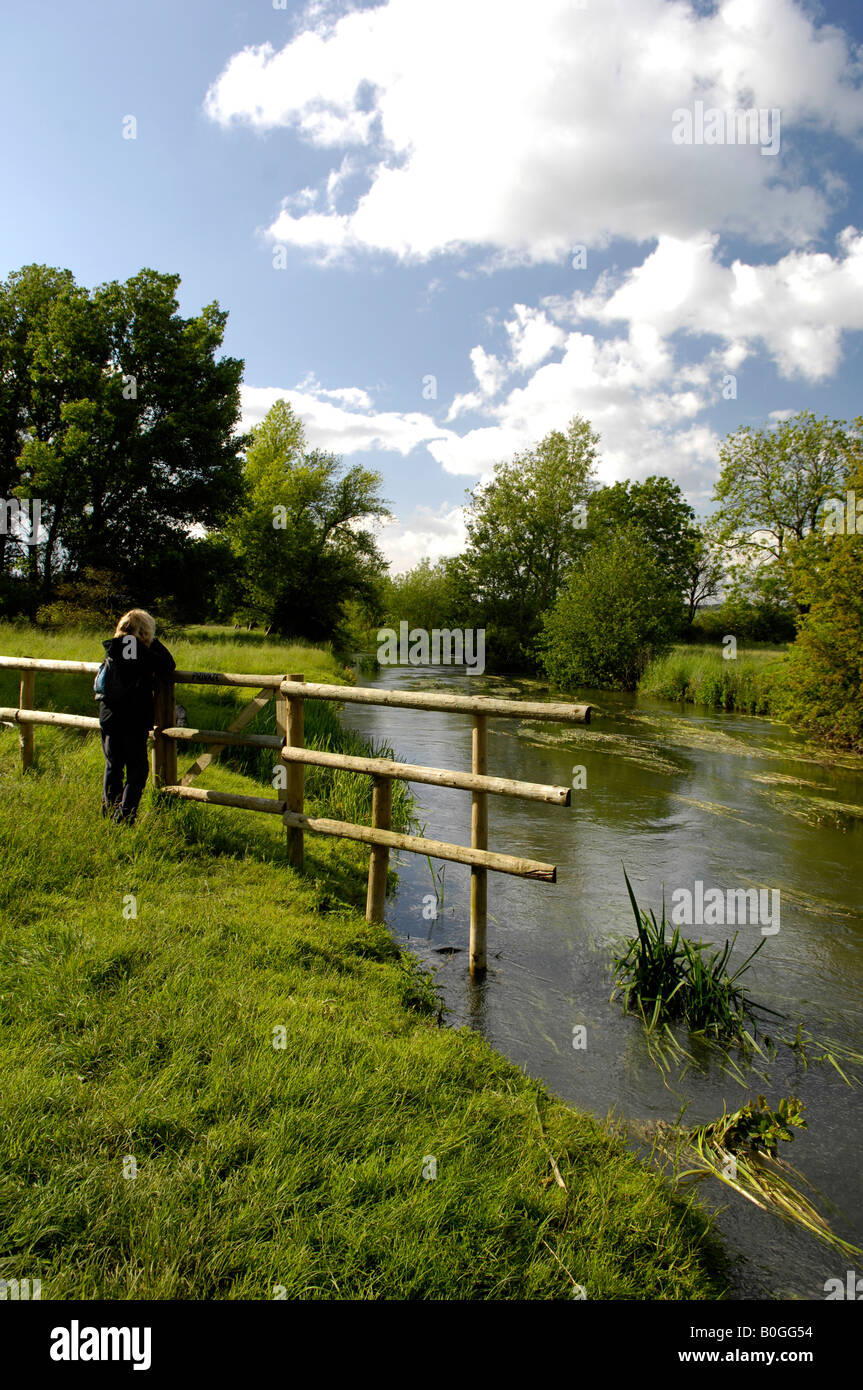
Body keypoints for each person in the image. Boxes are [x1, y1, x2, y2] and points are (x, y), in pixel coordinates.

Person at [96, 609, 175, 824]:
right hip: (131, 717)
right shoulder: (135, 649)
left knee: (113, 765)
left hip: (108, 715)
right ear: (145, 630)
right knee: (137, 770)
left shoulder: (113, 648)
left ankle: (109, 811)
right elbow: (168, 665)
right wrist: (152, 641)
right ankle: (123, 817)